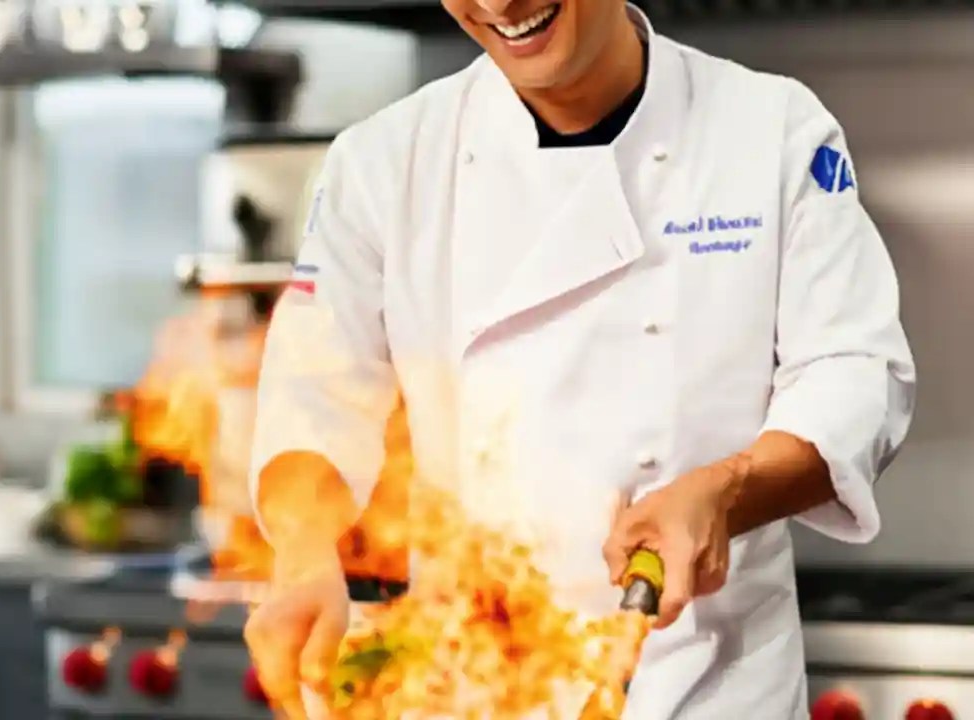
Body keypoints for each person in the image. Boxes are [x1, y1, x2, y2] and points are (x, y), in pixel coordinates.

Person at [242, 0, 916, 717]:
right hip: (474, 684)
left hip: (704, 686)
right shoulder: (385, 161)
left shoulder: (770, 128)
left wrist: (726, 490)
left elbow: (853, 370)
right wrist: (303, 553)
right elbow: (314, 393)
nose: (498, 4)